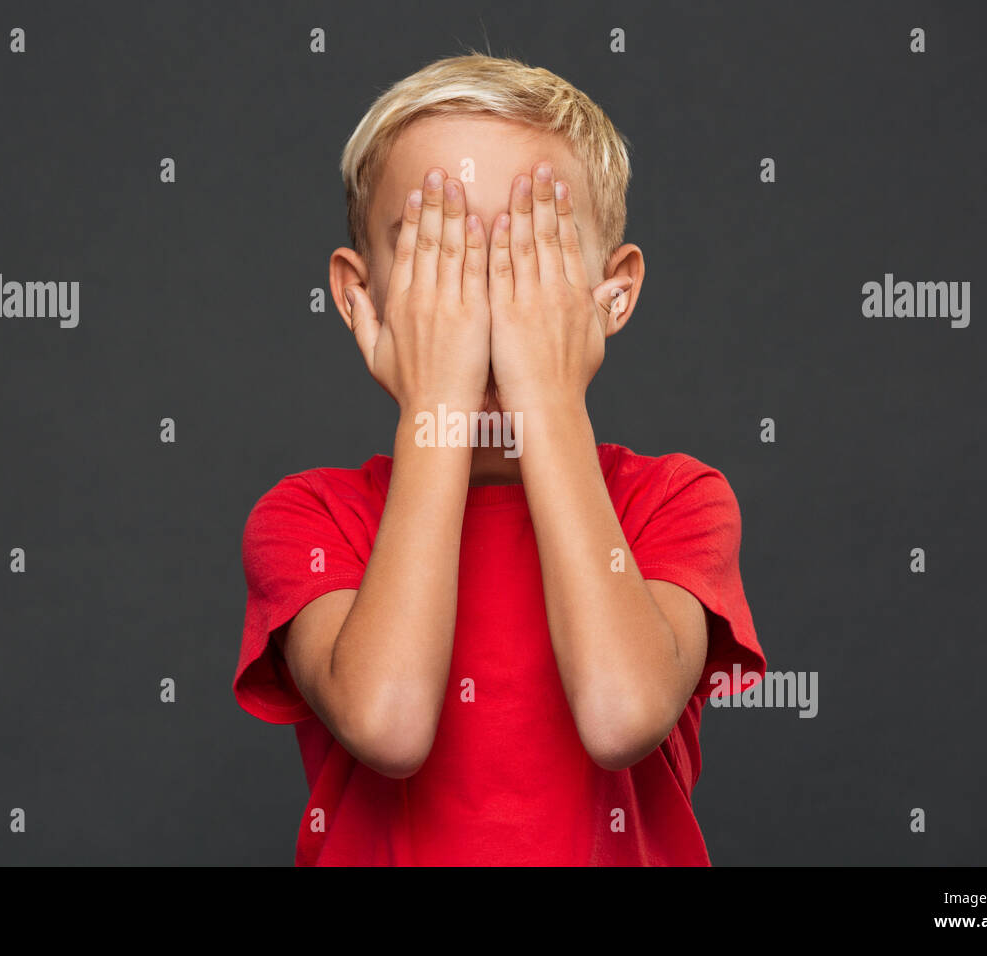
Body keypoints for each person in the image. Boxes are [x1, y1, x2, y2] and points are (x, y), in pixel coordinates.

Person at [234, 53, 765, 865]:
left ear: (611, 293)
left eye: (525, 261)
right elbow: (389, 723)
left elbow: (622, 713)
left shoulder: (674, 500)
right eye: (439, 260)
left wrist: (547, 398)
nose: (480, 310)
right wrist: (437, 404)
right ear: (360, 298)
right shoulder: (310, 518)